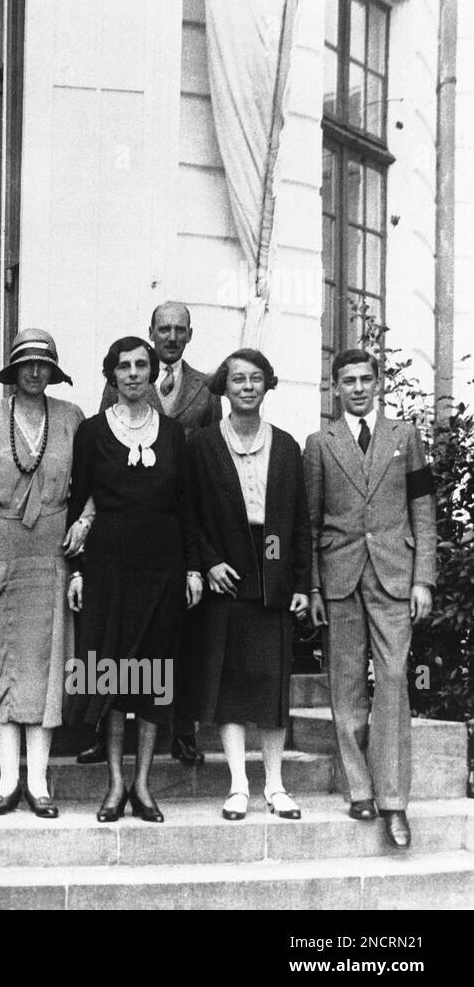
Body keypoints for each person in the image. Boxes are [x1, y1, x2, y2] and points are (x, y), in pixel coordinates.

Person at [0, 330, 86, 818]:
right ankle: (7, 781)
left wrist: (84, 524)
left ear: (53, 371)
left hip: (50, 553)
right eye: (26, 364)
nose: (34, 372)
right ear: (13, 371)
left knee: (43, 666)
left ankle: (38, 781)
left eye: (43, 365)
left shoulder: (71, 418)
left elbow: (91, 486)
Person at [305, 348, 437, 848]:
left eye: (365, 379)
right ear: (335, 388)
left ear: (378, 382)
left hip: (394, 578)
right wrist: (314, 587)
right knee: (345, 686)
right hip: (339, 578)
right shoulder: (319, 444)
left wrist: (423, 578)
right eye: (347, 381)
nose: (357, 388)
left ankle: (395, 802)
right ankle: (359, 787)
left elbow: (423, 512)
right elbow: (310, 523)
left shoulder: (405, 438)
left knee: (395, 680)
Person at [67, 336, 202, 823]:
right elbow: (78, 506)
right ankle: (115, 784)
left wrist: (191, 568)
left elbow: (186, 506)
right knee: (112, 676)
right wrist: (77, 571)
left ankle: (143, 785)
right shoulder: (91, 433)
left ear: (152, 372)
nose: (133, 374)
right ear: (111, 374)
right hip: (108, 570)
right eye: (123, 366)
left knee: (153, 678)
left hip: (162, 571)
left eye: (141, 365)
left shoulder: (173, 434)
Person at [83, 300, 221, 768]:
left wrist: (194, 561)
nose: (171, 337)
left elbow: (200, 471)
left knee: (166, 650)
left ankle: (180, 733)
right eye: (163, 329)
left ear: (188, 335)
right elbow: (93, 476)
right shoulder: (106, 409)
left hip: (170, 533)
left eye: (179, 330)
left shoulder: (204, 389)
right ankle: (102, 729)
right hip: (115, 544)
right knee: (111, 649)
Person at [188, 349, 311, 822]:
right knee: (231, 683)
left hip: (272, 568)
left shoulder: (285, 445)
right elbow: (190, 514)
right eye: (237, 379)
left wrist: (300, 581)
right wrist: (210, 562)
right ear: (225, 386)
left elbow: (298, 520)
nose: (246, 387)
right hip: (227, 574)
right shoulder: (202, 444)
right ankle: (239, 785)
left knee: (271, 685)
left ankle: (276, 785)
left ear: (267, 385)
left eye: (255, 378)